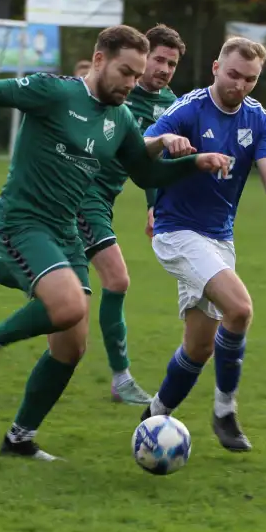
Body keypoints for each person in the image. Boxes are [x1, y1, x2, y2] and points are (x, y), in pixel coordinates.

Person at [0, 25, 231, 460]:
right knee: (68, 307)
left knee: (71, 346)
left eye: (137, 76)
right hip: (23, 221)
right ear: (99, 60)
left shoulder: (119, 120)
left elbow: (146, 174)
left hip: (65, 230)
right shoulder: (53, 92)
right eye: (125, 72)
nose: (131, 84)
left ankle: (19, 439)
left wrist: (195, 162)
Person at [139, 37, 266, 453]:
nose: (240, 85)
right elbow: (139, 152)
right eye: (233, 75)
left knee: (200, 346)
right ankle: (225, 411)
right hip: (176, 232)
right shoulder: (188, 109)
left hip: (219, 238)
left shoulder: (259, 120)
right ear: (215, 67)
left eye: (250, 79)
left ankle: (154, 413)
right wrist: (165, 143)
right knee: (240, 309)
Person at [76, 24, 185, 405]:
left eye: (172, 63)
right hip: (80, 195)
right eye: (158, 59)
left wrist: (155, 204)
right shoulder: (116, 90)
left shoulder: (171, 103)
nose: (165, 69)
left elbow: (149, 163)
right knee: (115, 282)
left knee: (56, 292)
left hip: (105, 199)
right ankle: (121, 377)